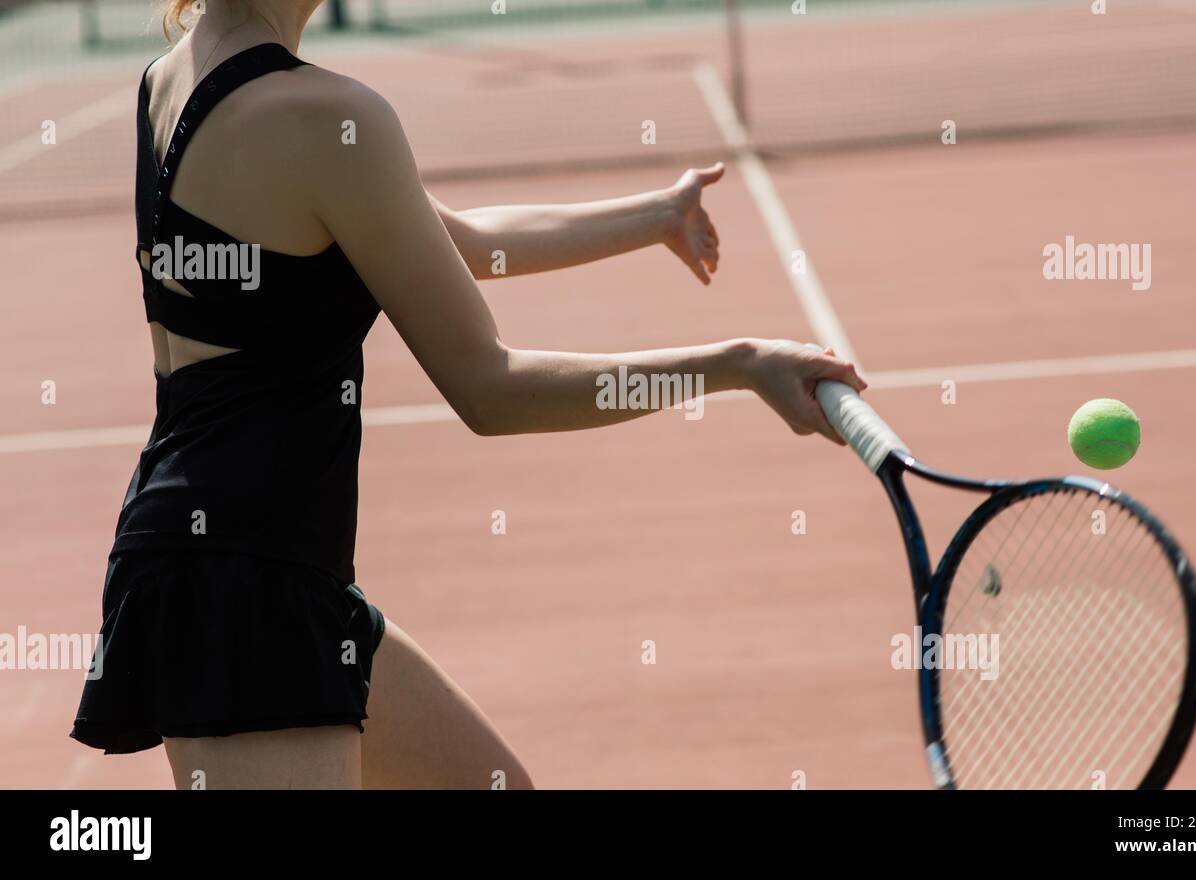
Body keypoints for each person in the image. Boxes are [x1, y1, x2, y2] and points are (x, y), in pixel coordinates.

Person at [70, 0, 866, 789]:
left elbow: (464, 246)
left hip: (223, 558)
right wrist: (736, 365)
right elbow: (492, 389)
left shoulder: (167, 84)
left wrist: (656, 216)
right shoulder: (329, 117)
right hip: (245, 594)